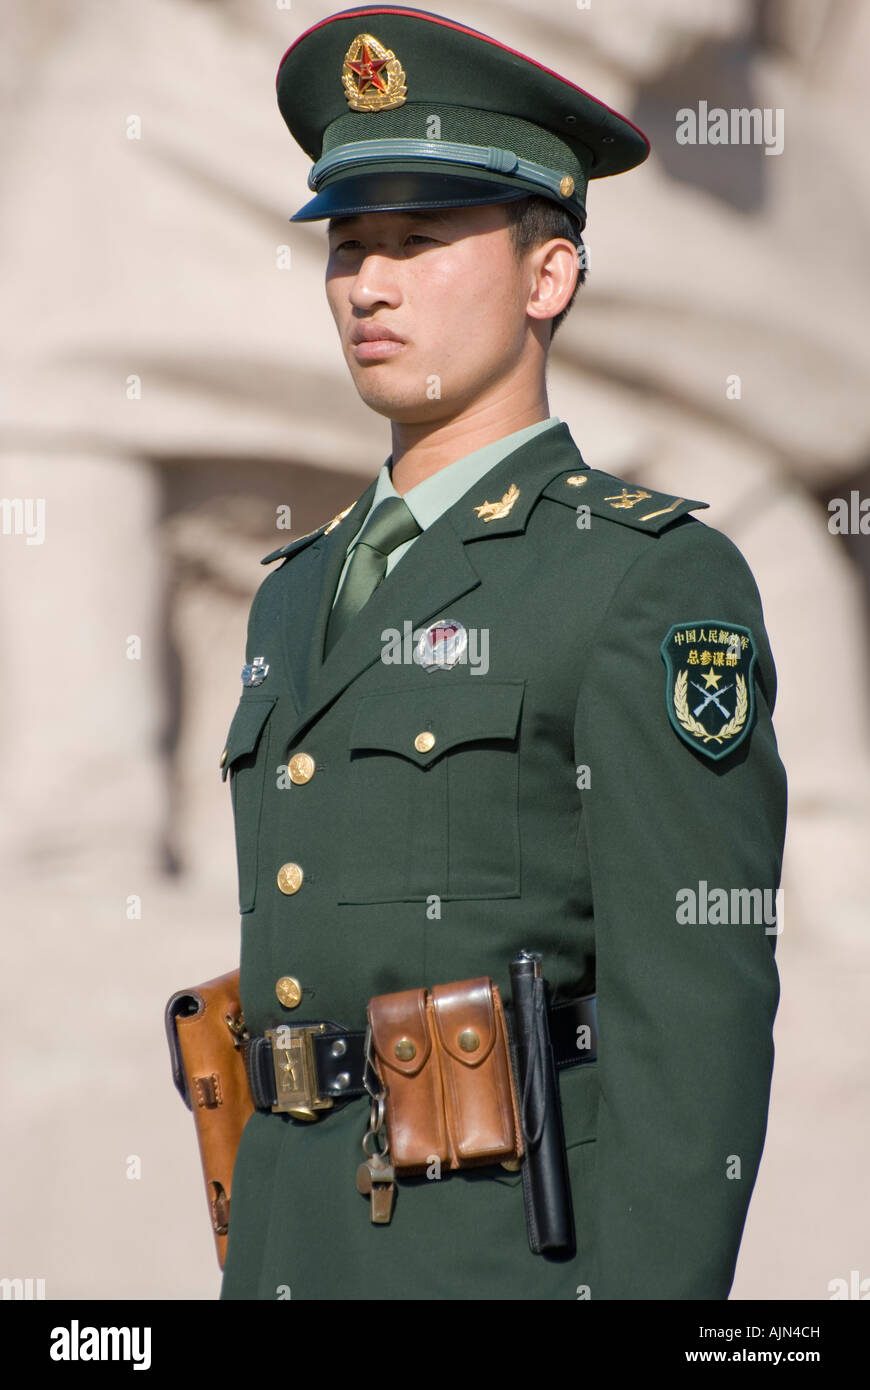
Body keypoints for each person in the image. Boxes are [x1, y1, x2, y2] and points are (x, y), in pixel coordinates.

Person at [217, 4, 787, 1300]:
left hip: (504, 1258)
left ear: (548, 278)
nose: (367, 284)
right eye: (349, 246)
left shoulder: (642, 577)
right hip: (285, 1251)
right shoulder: (295, 594)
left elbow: (692, 1012)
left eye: (418, 243)